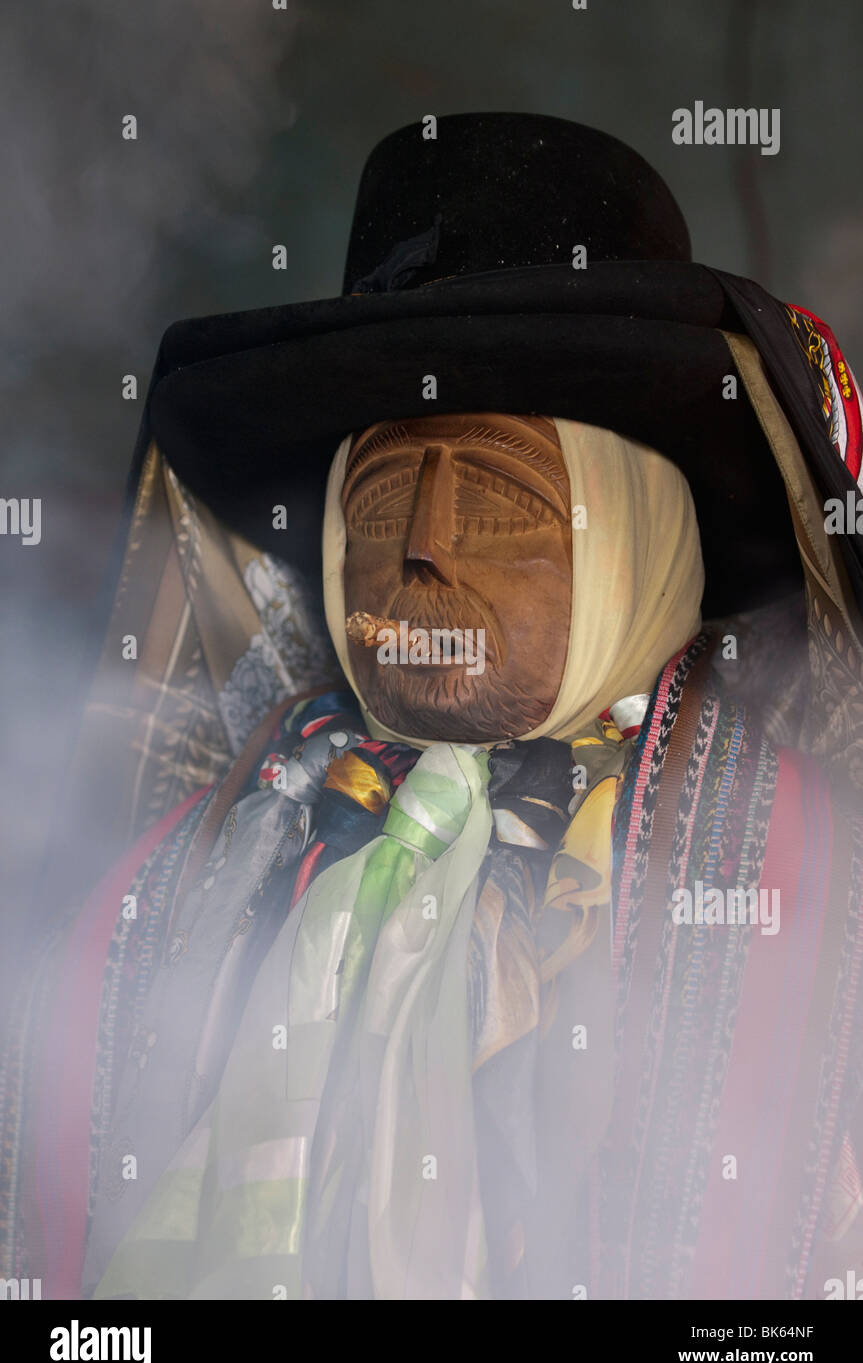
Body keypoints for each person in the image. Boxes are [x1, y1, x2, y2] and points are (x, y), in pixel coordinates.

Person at [2, 113, 862, 1301]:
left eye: (501, 500)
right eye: (385, 493)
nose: (421, 551)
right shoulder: (175, 888)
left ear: (639, 541)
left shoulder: (824, 909)